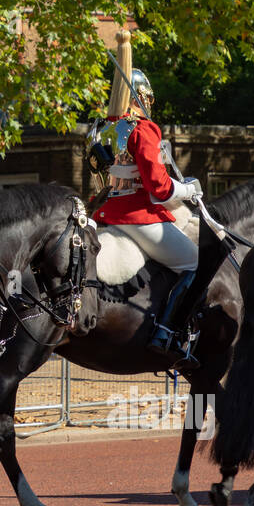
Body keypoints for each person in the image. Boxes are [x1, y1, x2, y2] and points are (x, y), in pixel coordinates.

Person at [90, 31, 203, 370]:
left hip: (107, 214)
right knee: (194, 264)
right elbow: (159, 190)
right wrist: (190, 190)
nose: (150, 102)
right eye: (148, 97)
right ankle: (167, 333)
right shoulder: (144, 130)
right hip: (139, 217)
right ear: (141, 96)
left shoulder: (105, 127)